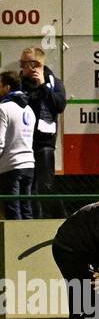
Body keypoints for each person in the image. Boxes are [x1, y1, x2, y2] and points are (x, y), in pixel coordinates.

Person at [20, 47, 67, 218]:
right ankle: (30, 221)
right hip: (22, 142)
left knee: (45, 185)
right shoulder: (19, 82)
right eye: (22, 63)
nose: (23, 67)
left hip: (44, 143)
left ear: (36, 65)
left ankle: (57, 220)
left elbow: (60, 105)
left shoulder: (54, 83)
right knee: (26, 186)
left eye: (26, 64)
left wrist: (42, 86)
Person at [0, 71, 37, 219]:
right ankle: (30, 241)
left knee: (12, 209)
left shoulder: (3, 108)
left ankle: (16, 243)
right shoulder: (29, 109)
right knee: (26, 208)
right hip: (29, 165)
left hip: (11, 166)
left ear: (7, 87)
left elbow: (0, 142)